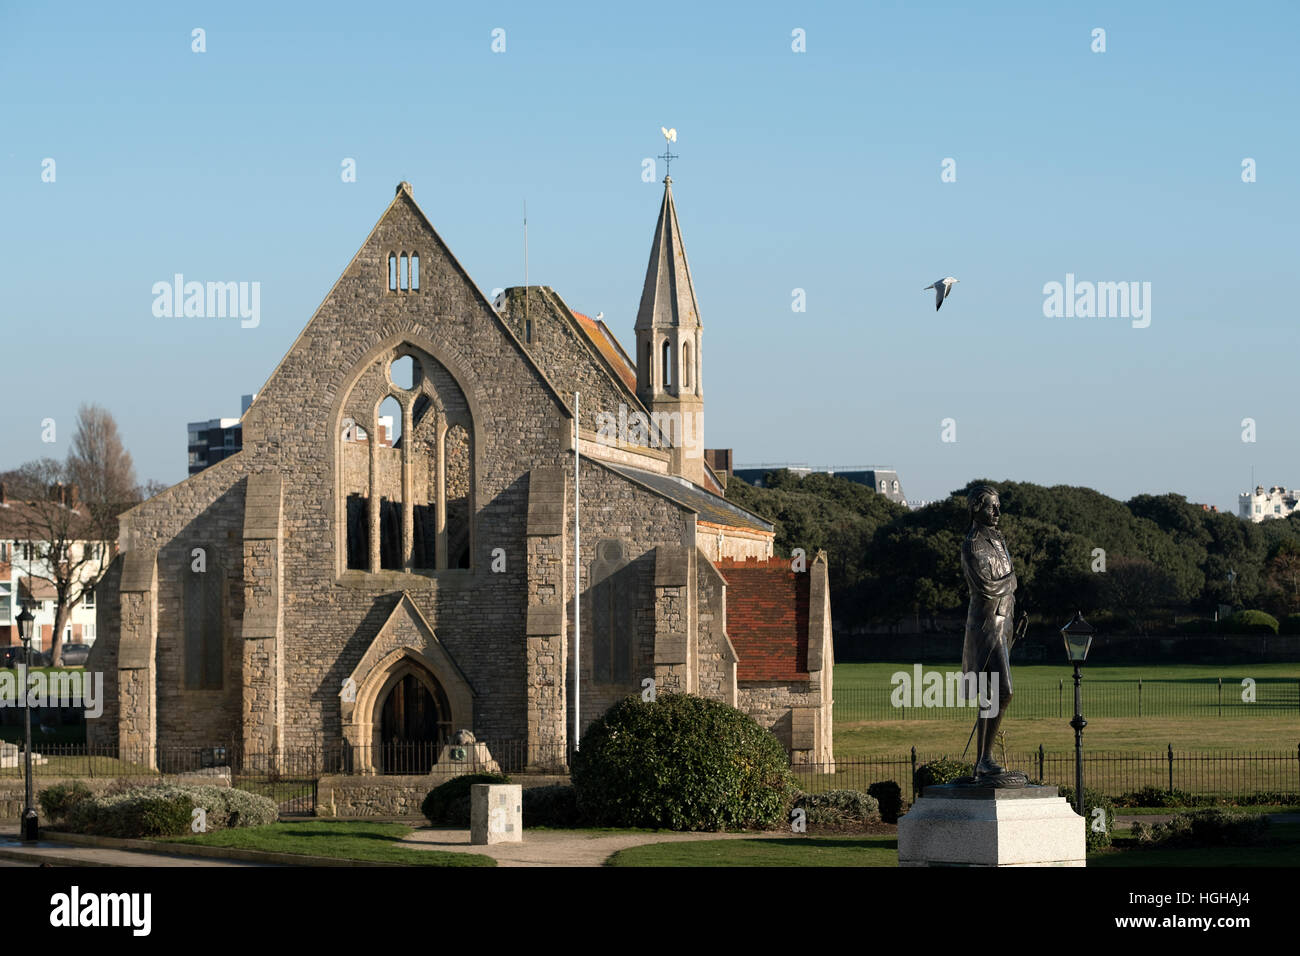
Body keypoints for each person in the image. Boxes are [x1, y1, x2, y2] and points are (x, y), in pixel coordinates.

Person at [960, 485, 1021, 777]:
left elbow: (1001, 587)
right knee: (1004, 692)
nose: (997, 511)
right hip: (985, 629)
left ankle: (983, 760)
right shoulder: (973, 544)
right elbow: (986, 586)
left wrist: (1011, 617)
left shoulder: (999, 541)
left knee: (991, 694)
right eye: (990, 506)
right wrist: (1013, 581)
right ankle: (984, 758)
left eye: (997, 506)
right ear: (975, 509)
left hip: (1002, 624)